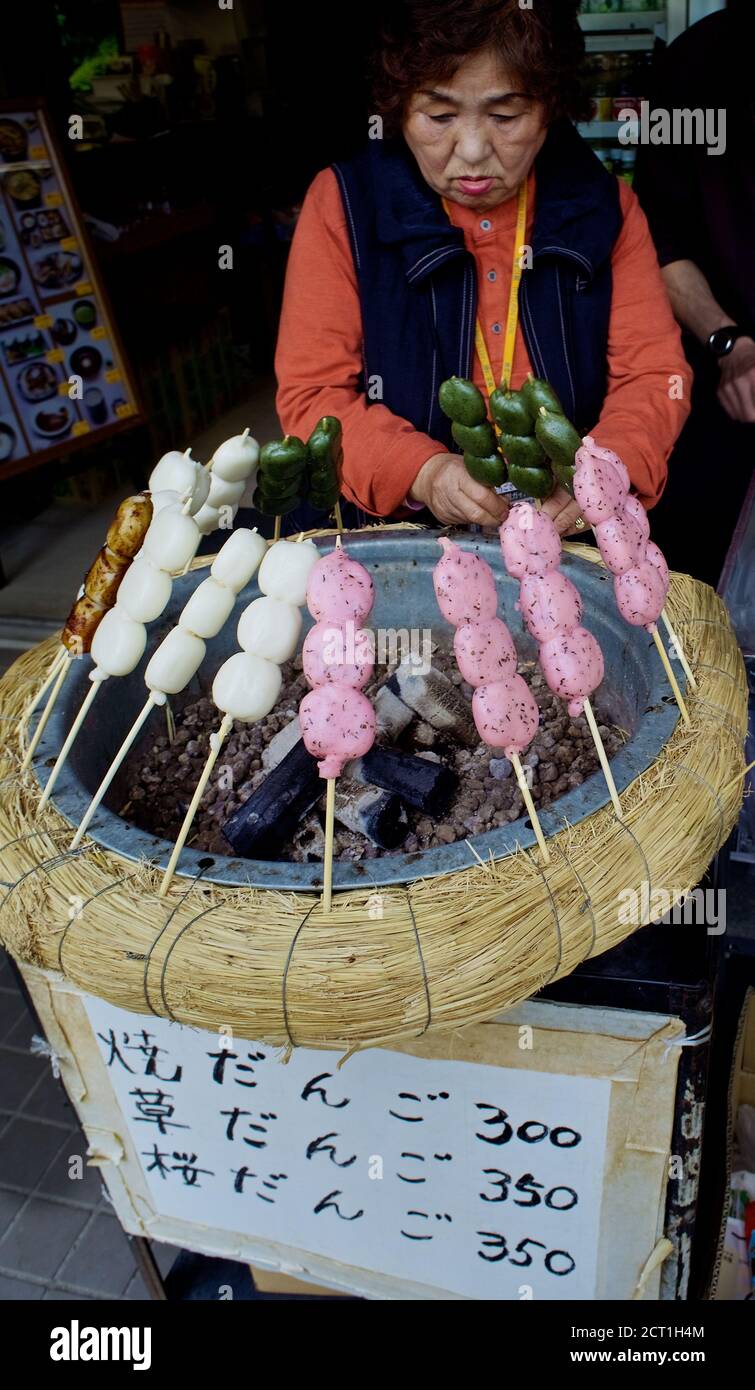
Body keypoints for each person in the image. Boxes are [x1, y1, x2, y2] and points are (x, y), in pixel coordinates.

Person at [275, 0, 690, 535]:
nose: (471, 152)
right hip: (396, 540)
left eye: (506, 116)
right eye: (439, 115)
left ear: (550, 108)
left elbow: (656, 374)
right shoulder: (344, 205)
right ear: (400, 106)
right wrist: (424, 474)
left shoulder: (604, 207)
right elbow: (314, 396)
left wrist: (606, 468)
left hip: (569, 531)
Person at [634, 0, 755, 588]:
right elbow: (654, 236)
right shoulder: (698, 61)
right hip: (718, 384)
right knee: (701, 600)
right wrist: (728, 341)